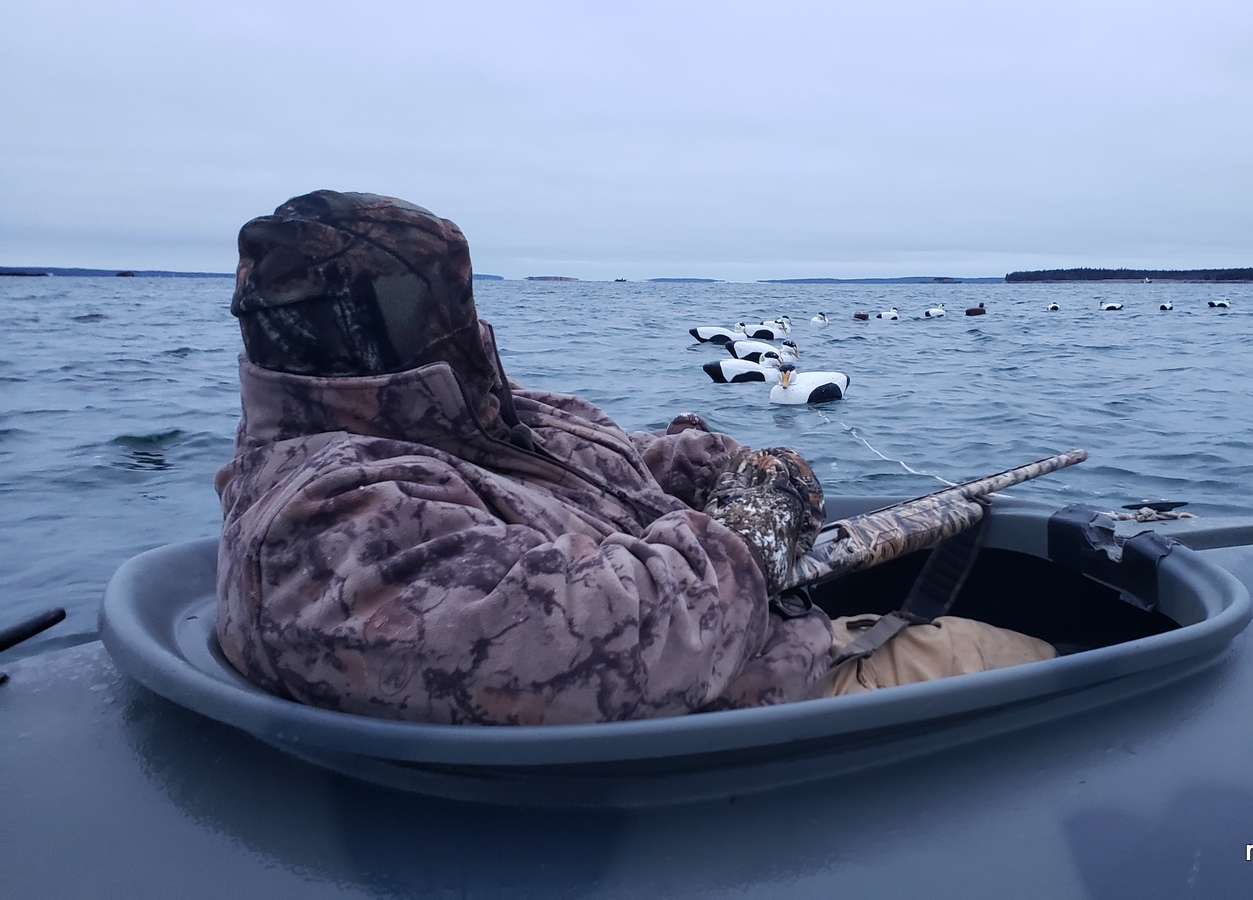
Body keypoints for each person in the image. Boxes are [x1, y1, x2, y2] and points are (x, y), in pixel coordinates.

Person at [216, 190, 1052, 727]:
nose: (471, 321)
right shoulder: (326, 522)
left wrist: (732, 467)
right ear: (404, 318)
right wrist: (753, 533)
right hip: (761, 726)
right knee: (1047, 667)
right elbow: (619, 641)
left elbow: (627, 457)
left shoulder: (454, 422)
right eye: (453, 299)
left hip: (778, 653)